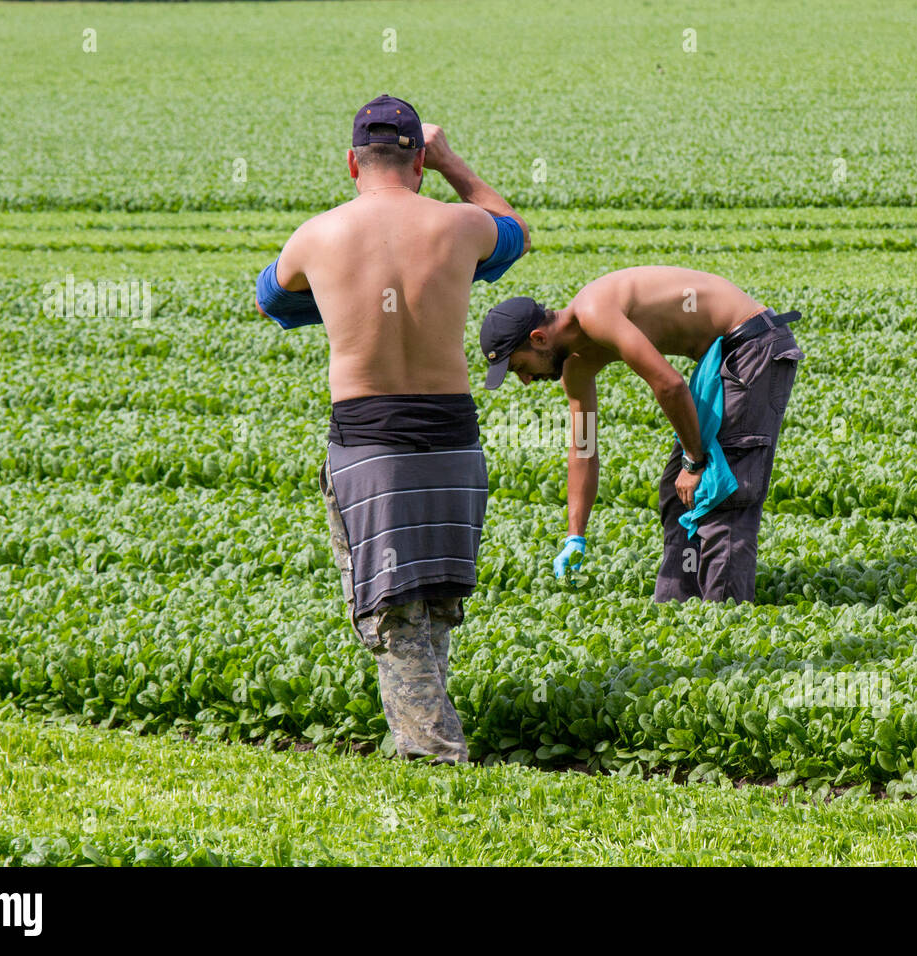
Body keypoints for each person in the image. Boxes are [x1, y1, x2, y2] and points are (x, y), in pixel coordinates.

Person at [255, 94, 530, 763]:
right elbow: (513, 232)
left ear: (352, 162)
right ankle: (424, 742)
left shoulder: (316, 236)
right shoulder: (460, 227)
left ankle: (436, 759)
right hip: (453, 442)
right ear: (419, 163)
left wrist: (350, 301)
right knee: (431, 601)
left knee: (392, 615)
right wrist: (454, 166)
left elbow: (275, 301)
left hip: (371, 444)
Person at [479, 266, 802, 603]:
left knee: (721, 491)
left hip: (753, 344)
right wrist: (575, 537)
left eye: (519, 367)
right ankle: (677, 609)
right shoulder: (577, 365)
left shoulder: (593, 311)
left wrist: (694, 462)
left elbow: (669, 384)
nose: (526, 380)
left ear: (539, 338)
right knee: (677, 492)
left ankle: (725, 619)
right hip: (722, 356)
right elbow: (583, 448)